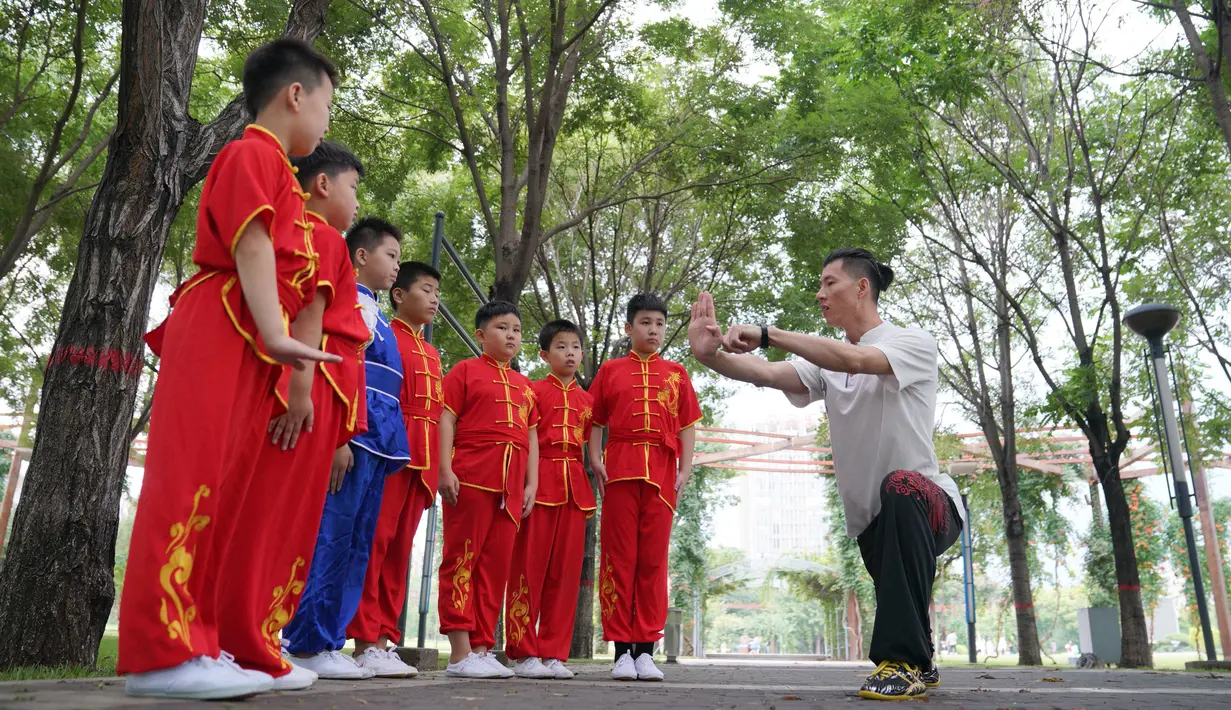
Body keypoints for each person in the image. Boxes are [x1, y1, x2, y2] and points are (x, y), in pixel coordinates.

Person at [118, 38, 341, 701]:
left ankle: (201, 644)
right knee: (188, 483)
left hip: (250, 338)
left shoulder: (280, 170)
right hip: (226, 323)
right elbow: (250, 239)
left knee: (224, 494)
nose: (327, 122)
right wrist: (277, 332)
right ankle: (160, 655)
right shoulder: (250, 154)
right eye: (326, 105)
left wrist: (278, 338)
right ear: (293, 95)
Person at [687, 248, 966, 701]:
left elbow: (856, 361)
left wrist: (767, 332)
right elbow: (767, 372)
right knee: (895, 559)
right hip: (874, 522)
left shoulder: (912, 342)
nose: (820, 294)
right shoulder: (825, 363)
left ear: (862, 288)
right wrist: (710, 357)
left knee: (902, 485)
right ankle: (924, 659)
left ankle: (902, 662)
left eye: (829, 283)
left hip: (930, 505)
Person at [211, 140, 369, 692]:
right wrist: (299, 390)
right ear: (323, 185)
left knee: (282, 520)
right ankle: (250, 643)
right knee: (280, 521)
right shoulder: (320, 235)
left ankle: (249, 640)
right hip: (310, 390)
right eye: (353, 187)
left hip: (316, 391)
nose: (355, 201)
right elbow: (312, 312)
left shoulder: (310, 232)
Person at [284, 219, 411, 679]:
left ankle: (330, 639)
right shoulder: (341, 302)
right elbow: (337, 373)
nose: (397, 266)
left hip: (378, 442)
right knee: (331, 535)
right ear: (361, 256)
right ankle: (306, 639)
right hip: (351, 438)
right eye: (391, 256)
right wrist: (341, 437)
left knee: (357, 542)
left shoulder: (378, 316)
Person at [587, 293, 702, 683]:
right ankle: (621, 652)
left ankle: (646, 651)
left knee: (653, 563)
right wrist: (595, 458)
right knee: (619, 560)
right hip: (619, 470)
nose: (653, 330)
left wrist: (685, 470)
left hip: (662, 473)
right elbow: (596, 421)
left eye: (659, 324)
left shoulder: (676, 373)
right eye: (645, 322)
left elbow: (687, 426)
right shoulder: (610, 371)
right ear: (629, 328)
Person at [347, 262, 444, 677]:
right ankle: (365, 639)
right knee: (375, 544)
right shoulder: (384, 335)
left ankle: (385, 639)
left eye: (437, 292)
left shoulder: (432, 351)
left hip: (423, 462)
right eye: (426, 289)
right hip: (391, 450)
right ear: (400, 295)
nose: (435, 298)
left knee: (401, 553)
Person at [437, 300, 539, 679]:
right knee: (462, 561)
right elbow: (445, 418)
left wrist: (532, 483)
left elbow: (531, 436)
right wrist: (444, 469)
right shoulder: (464, 371)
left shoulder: (526, 386)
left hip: (510, 488)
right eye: (501, 327)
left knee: (495, 570)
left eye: (516, 329)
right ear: (480, 335)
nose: (511, 334)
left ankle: (482, 649)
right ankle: (460, 653)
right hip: (471, 477)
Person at [503, 320, 597, 680]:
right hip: (538, 483)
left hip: (574, 487)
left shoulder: (588, 401)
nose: (570, 352)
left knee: (566, 576)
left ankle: (554, 654)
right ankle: (524, 652)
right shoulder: (530, 391)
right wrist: (526, 483)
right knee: (528, 569)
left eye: (575, 346)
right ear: (544, 354)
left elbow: (589, 446)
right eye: (561, 346)